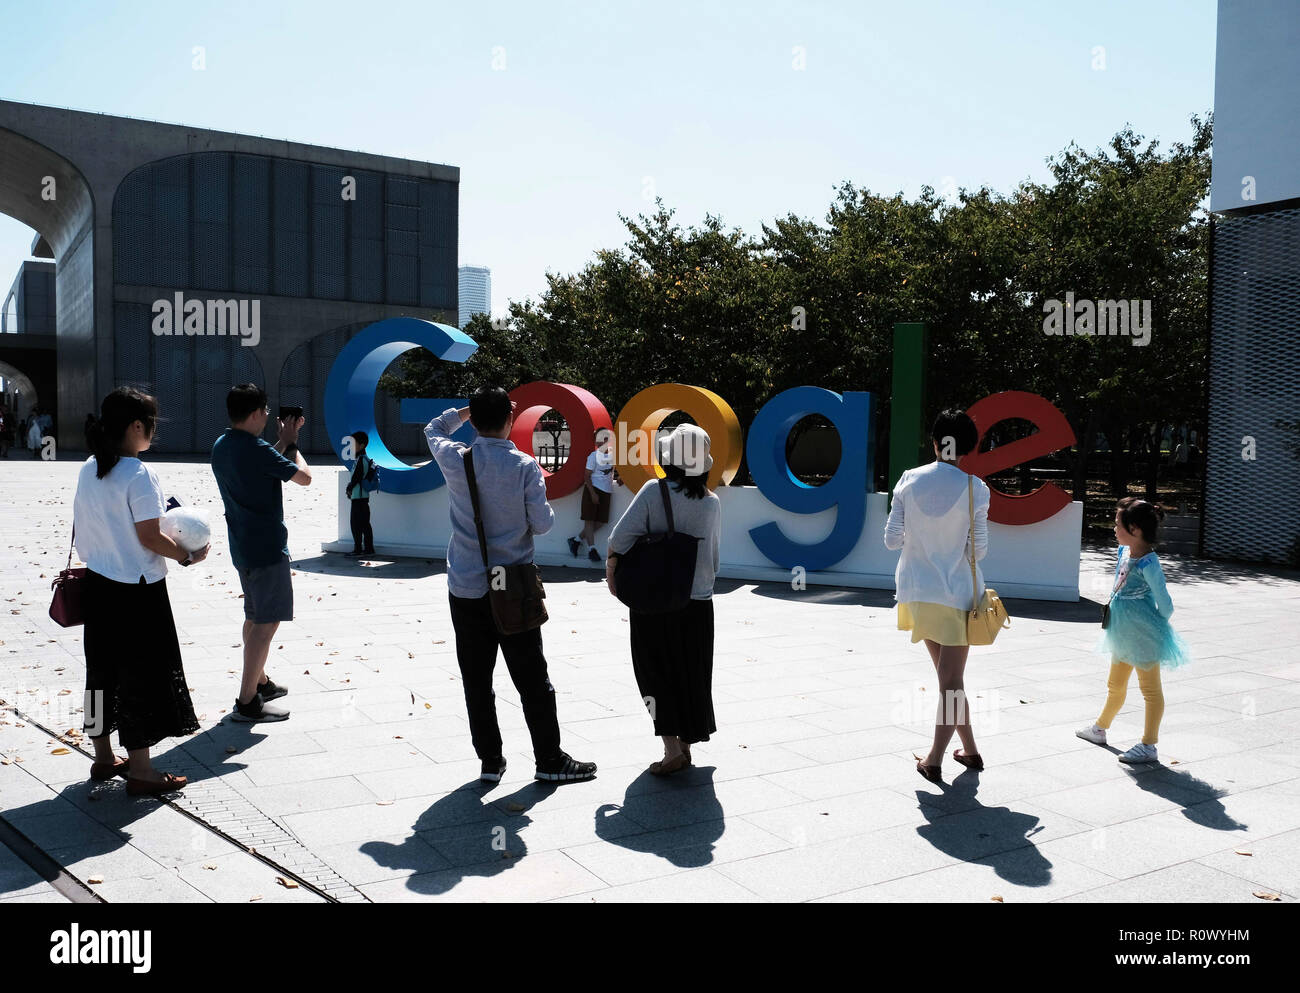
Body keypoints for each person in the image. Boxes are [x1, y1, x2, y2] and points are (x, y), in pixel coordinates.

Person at [424, 386, 596, 783]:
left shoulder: (455, 458)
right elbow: (543, 524)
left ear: (476, 419)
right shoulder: (523, 466)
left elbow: (434, 428)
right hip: (513, 588)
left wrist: (469, 410)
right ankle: (549, 760)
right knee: (532, 678)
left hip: (466, 585)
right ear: (510, 420)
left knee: (476, 679)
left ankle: (490, 761)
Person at [73, 387, 206, 795]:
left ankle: (103, 757)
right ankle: (143, 771)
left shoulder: (89, 467)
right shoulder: (139, 473)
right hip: (137, 590)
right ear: (135, 426)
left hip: (97, 584)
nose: (151, 432)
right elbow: (150, 536)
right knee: (140, 676)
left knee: (99, 674)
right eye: (150, 425)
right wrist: (186, 556)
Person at [606, 424, 721, 776]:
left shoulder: (654, 492)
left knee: (655, 672)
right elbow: (713, 559)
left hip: (653, 600)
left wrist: (612, 573)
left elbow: (619, 539)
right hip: (697, 602)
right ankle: (685, 746)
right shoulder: (711, 502)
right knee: (691, 673)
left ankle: (671, 749)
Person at [884, 408, 991, 783]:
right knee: (951, 681)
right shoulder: (975, 488)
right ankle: (934, 760)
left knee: (950, 681)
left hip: (915, 592)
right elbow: (978, 553)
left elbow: (891, 540)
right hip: (956, 595)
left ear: (934, 442)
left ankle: (969, 750)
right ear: (966, 448)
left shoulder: (907, 480)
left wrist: (921, 535)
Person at [211, 384, 311, 723]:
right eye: (267, 412)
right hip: (268, 547)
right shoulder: (256, 449)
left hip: (243, 546)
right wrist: (294, 443)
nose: (270, 417)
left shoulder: (222, 445)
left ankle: (261, 681)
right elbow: (304, 478)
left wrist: (283, 441)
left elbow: (264, 461)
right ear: (255, 413)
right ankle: (248, 699)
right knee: (267, 622)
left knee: (254, 617)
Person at [1077, 497, 1191, 764]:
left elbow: (1166, 605)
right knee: (1115, 684)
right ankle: (1099, 728)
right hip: (1122, 632)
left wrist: (1154, 625)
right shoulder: (1123, 552)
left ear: (1136, 529)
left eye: (1118, 524)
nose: (1113, 528)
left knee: (1150, 690)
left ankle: (1149, 745)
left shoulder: (1149, 564)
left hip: (1142, 633)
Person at [568, 428, 620, 562]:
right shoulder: (593, 456)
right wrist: (592, 494)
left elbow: (617, 470)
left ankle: (576, 540)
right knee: (589, 521)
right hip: (593, 490)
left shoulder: (614, 455)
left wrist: (621, 478)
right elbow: (586, 476)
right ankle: (592, 550)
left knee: (602, 522)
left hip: (607, 491)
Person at [345, 430, 376, 556]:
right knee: (363, 524)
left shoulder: (361, 459)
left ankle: (360, 549)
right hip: (360, 497)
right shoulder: (361, 458)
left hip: (359, 497)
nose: (350, 446)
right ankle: (367, 549)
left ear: (362, 445)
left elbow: (357, 478)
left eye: (353, 443)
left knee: (357, 524)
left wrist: (349, 488)